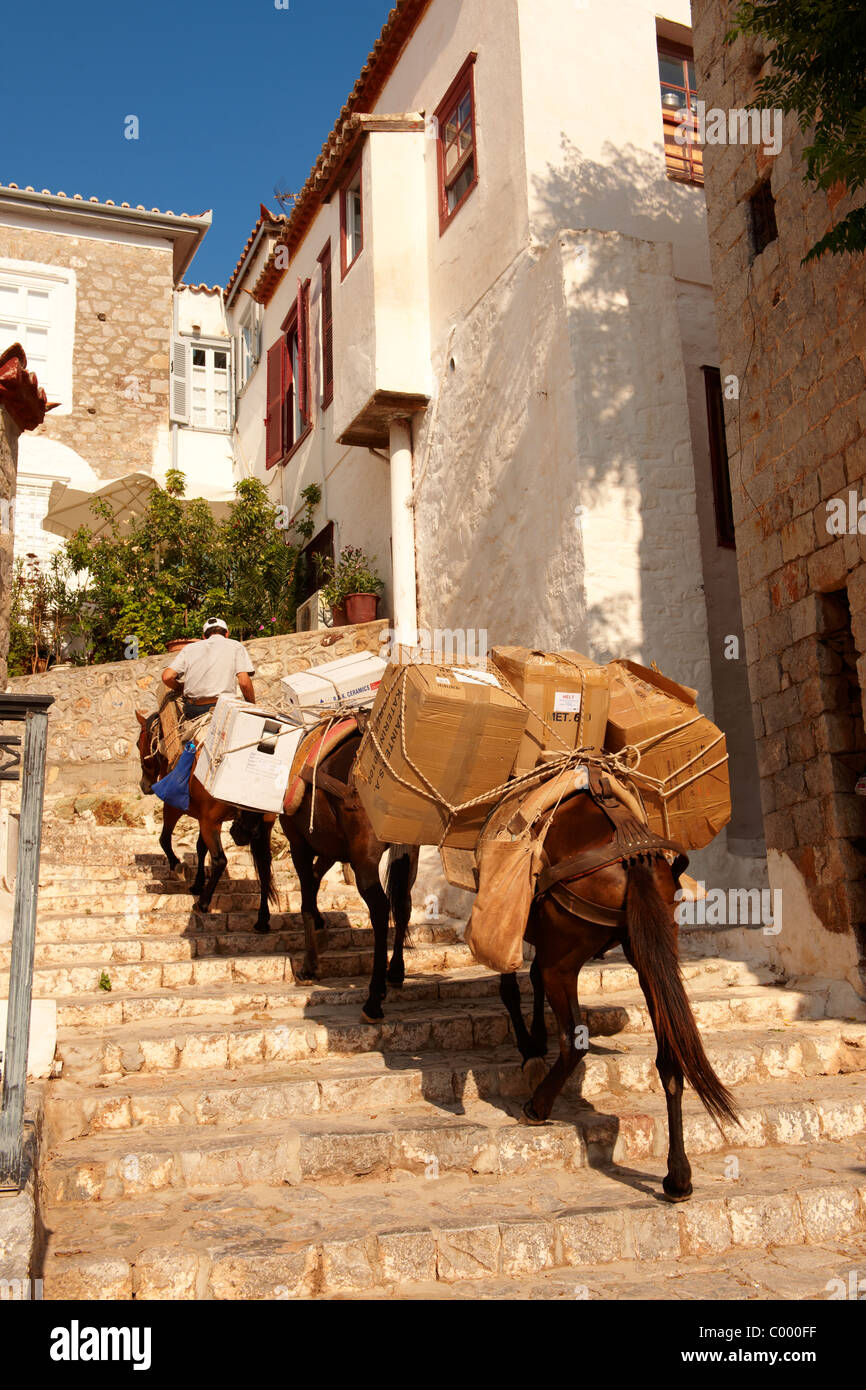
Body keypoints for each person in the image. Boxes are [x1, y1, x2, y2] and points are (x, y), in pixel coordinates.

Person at [161, 618, 256, 745]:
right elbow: (244, 682)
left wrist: (180, 688)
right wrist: (253, 706)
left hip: (195, 709)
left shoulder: (189, 649)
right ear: (227, 634)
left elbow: (167, 677)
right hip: (223, 707)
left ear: (204, 637)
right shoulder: (235, 646)